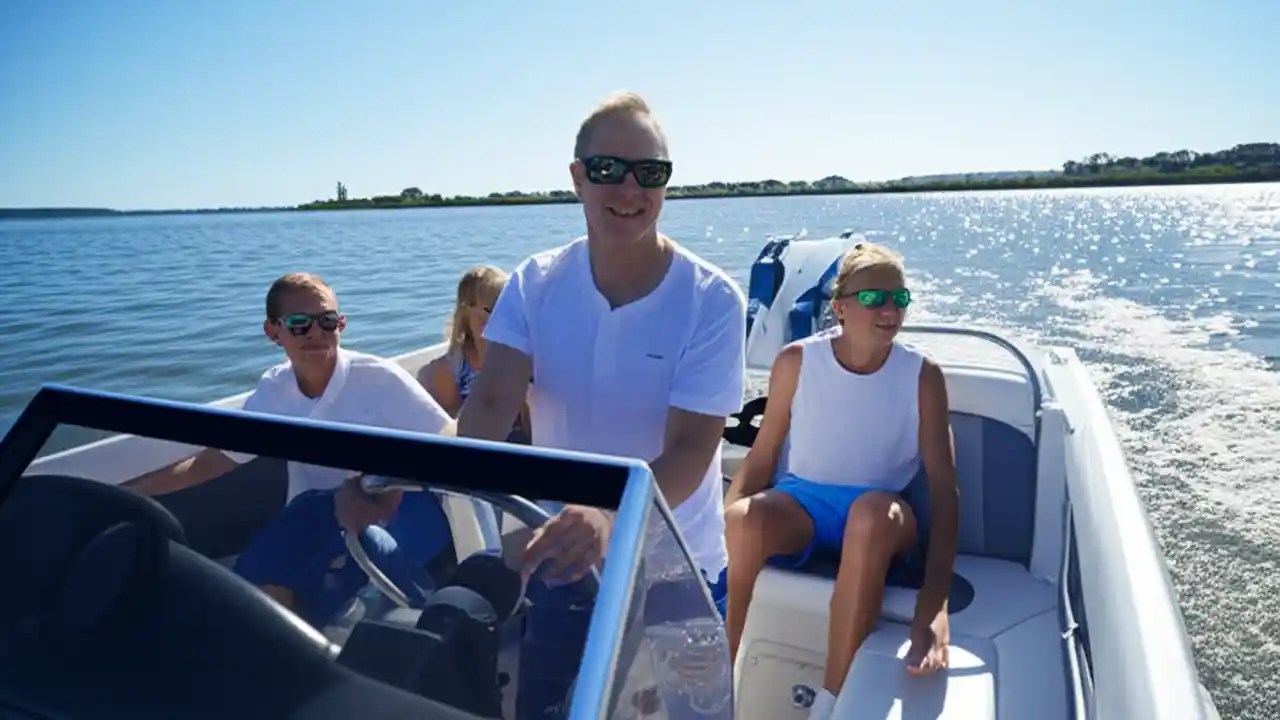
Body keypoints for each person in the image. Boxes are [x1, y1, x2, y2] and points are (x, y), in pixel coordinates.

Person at [456, 91, 747, 718]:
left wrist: (611, 519)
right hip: (566, 559)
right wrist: (419, 482)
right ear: (577, 177)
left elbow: (693, 449)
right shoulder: (535, 283)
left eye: (651, 173)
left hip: (679, 570)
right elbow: (492, 401)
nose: (630, 188)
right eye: (610, 169)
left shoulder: (711, 299)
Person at [123, 272, 458, 628]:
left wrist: (368, 486)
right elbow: (216, 459)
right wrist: (134, 492)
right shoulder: (274, 389)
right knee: (255, 585)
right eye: (299, 324)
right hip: (320, 508)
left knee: (370, 591)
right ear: (273, 331)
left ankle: (425, 625)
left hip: (407, 502)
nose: (315, 333)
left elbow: (451, 447)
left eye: (327, 321)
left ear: (341, 325)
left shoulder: (381, 380)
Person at [722, 241, 959, 720]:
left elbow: (944, 491)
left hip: (882, 521)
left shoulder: (922, 375)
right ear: (841, 307)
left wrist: (935, 606)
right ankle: (714, 689)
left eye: (899, 299)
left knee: (870, 516)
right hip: (802, 508)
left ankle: (831, 704)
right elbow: (763, 455)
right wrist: (718, 533)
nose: (889, 309)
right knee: (744, 520)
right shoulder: (796, 361)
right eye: (874, 298)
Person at [418, 264, 530, 443]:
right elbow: (451, 425)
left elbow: (530, 423)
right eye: (473, 305)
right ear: (464, 312)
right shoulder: (452, 367)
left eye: (492, 306)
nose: (481, 314)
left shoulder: (519, 358)